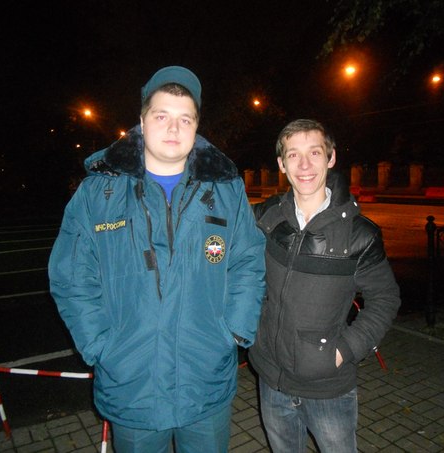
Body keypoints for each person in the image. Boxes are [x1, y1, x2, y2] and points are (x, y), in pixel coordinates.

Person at [48, 66, 266, 453]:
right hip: (133, 386)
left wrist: (233, 332)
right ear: (142, 120)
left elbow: (247, 261)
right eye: (162, 116)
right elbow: (72, 277)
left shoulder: (225, 189)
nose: (173, 128)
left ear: (196, 127)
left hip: (205, 382)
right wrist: (100, 345)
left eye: (185, 119)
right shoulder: (98, 193)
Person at [249, 119, 401, 452]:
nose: (304, 165)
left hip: (328, 388)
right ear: (281, 164)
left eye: (314, 153)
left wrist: (345, 350)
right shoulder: (266, 217)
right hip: (271, 379)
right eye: (293, 154)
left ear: (331, 158)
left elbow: (386, 298)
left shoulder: (360, 235)